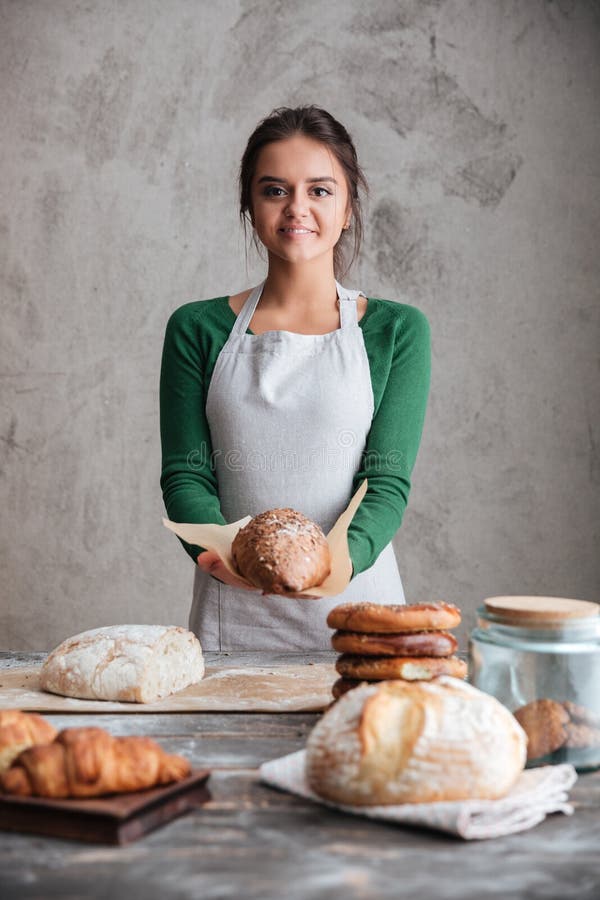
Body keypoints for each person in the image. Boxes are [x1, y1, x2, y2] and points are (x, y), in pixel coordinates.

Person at [159, 105, 431, 651]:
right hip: (233, 617)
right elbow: (185, 475)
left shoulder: (396, 330)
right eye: (275, 190)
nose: (297, 208)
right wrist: (224, 560)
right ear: (250, 205)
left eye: (321, 191)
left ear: (349, 206)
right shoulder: (197, 328)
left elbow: (387, 480)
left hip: (360, 613)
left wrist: (334, 565)